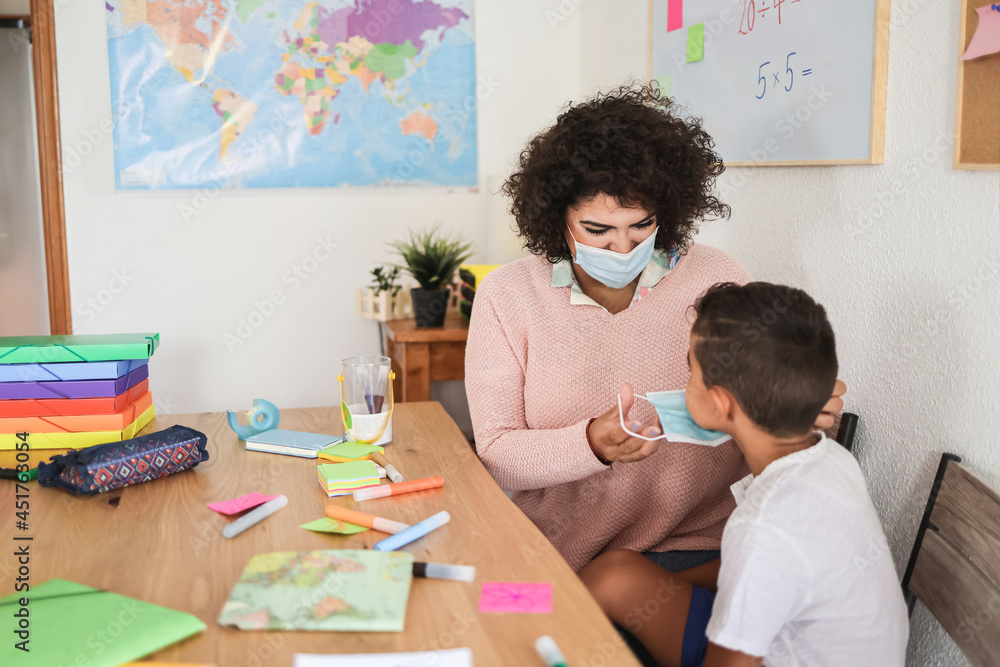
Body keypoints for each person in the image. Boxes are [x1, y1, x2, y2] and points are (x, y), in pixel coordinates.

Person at [464, 84, 845, 573]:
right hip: (560, 557)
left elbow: (771, 405)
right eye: (597, 230)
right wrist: (591, 445)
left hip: (698, 550)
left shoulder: (715, 278)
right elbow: (497, 453)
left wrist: (811, 410)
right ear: (557, 219)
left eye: (641, 226)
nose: (622, 248)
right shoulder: (507, 296)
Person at [579, 282, 909, 667]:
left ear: (721, 404)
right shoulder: (827, 458)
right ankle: (503, 598)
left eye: (691, 373)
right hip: (785, 635)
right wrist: (665, 588)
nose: (684, 384)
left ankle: (505, 604)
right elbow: (754, 568)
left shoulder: (764, 525)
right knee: (616, 574)